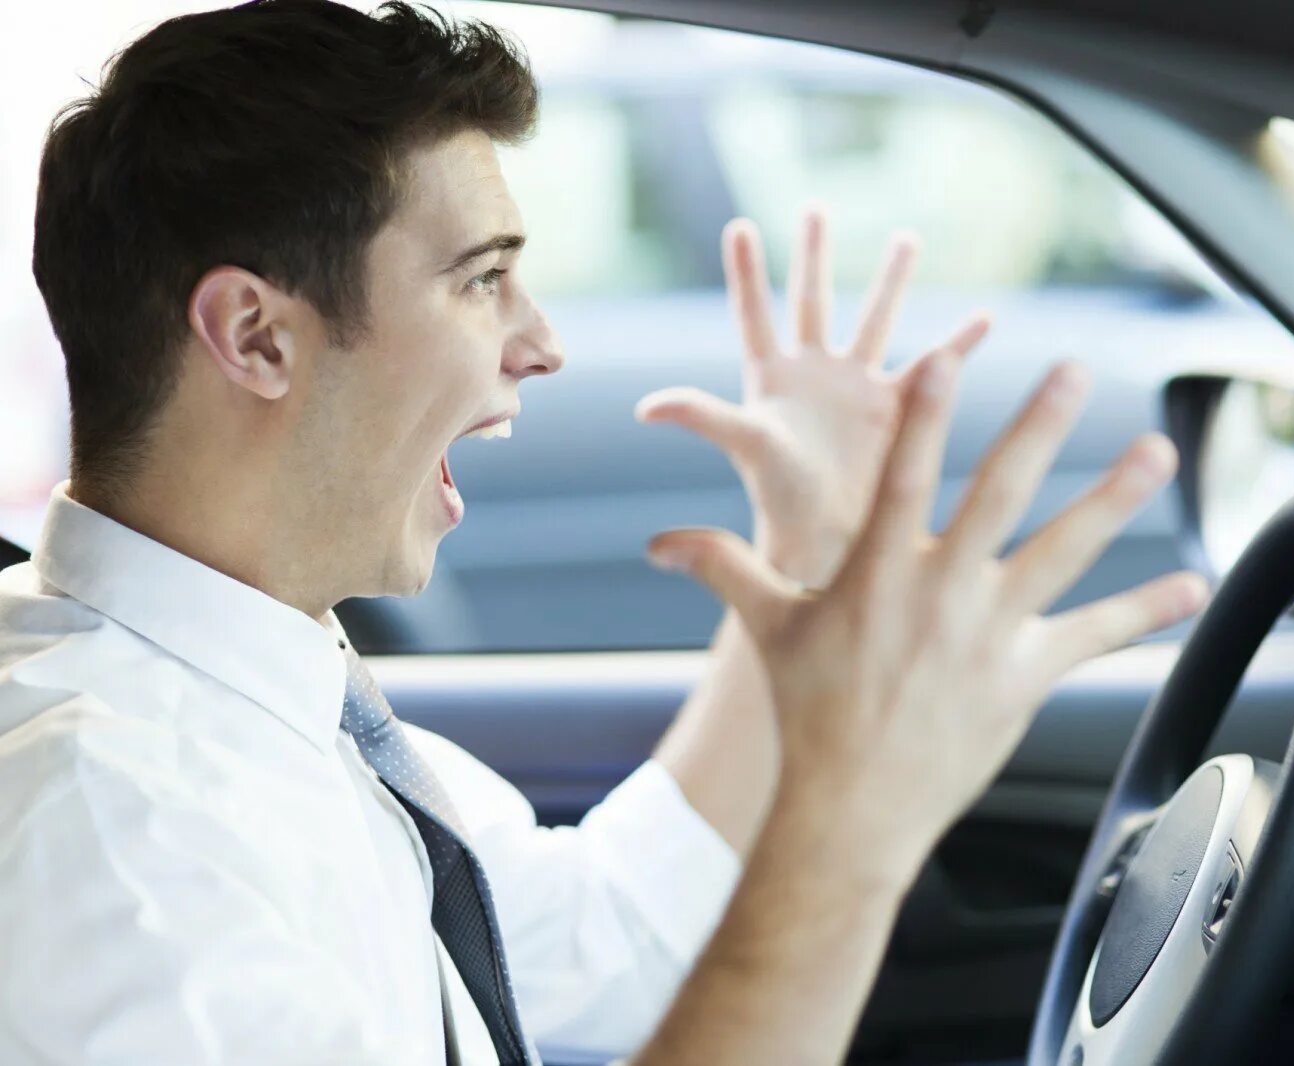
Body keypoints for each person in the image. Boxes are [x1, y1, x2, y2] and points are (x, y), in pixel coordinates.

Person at [0, 1, 1208, 1063]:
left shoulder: (254, 692)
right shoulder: (114, 838)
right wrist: (853, 827)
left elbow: (603, 939)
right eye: (480, 279)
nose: (541, 343)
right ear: (257, 336)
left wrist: (800, 548)